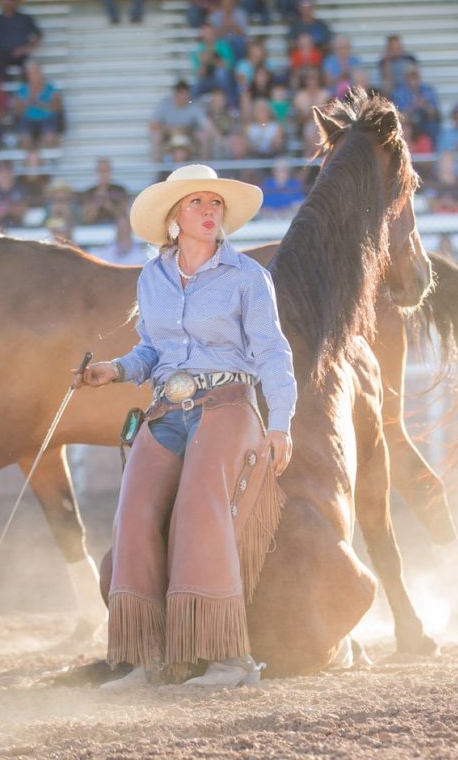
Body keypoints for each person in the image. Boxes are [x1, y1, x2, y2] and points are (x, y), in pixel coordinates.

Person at [72, 163, 296, 688]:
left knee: (199, 505)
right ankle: (144, 658)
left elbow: (271, 352)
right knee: (133, 510)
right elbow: (151, 349)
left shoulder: (247, 277)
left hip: (229, 405)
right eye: (197, 203)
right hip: (167, 410)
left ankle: (230, 660)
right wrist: (114, 370)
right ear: (174, 218)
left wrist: (281, 422)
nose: (209, 211)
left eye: (215, 204)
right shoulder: (152, 277)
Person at [149, 79, 213, 162]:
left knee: (204, 136)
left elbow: (206, 123)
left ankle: (205, 165)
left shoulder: (192, 105)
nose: (185, 98)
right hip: (169, 135)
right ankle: (158, 168)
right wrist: (171, 130)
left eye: (187, 95)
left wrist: (220, 138)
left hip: (188, 133)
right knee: (156, 135)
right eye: (182, 95)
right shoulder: (165, 103)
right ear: (175, 94)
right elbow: (153, 125)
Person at [12, 60, 64, 150]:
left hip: (47, 119)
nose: (34, 75)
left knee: (49, 139)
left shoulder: (50, 88)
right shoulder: (22, 89)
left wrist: (40, 104)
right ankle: (33, 160)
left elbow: (57, 108)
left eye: (36, 72)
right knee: (25, 140)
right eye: (31, 73)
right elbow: (17, 112)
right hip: (27, 120)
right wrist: (28, 103)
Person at [0, 0, 43, 80]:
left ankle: (25, 92)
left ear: (16, 1)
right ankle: (4, 92)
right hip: (3, 56)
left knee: (30, 67)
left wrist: (25, 48)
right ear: (1, 1)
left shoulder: (25, 18)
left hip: (21, 55)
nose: (7, 2)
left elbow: (38, 35)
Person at [391, 64, 440, 145]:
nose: (413, 80)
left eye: (415, 76)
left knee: (434, 125)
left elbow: (434, 114)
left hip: (425, 121)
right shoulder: (398, 93)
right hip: (408, 123)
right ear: (406, 78)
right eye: (410, 77)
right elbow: (398, 117)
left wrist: (425, 106)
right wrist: (413, 106)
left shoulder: (428, 90)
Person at [79, 157, 128, 225]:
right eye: (101, 171)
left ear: (111, 171)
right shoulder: (89, 192)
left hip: (116, 227)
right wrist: (96, 205)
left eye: (106, 170)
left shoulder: (120, 190)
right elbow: (86, 219)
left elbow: (124, 215)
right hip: (94, 229)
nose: (103, 174)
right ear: (96, 172)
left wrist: (108, 205)